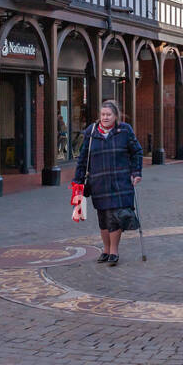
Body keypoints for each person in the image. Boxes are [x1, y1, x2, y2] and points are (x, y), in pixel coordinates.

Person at [70, 100, 143, 267]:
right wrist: (78, 182)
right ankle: (106, 249)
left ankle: (114, 251)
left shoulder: (124, 130)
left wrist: (136, 172)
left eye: (108, 115)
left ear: (115, 116)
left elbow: (137, 152)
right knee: (103, 218)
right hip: (99, 182)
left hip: (120, 182)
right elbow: (83, 159)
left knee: (115, 218)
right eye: (103, 114)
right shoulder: (91, 131)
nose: (105, 117)